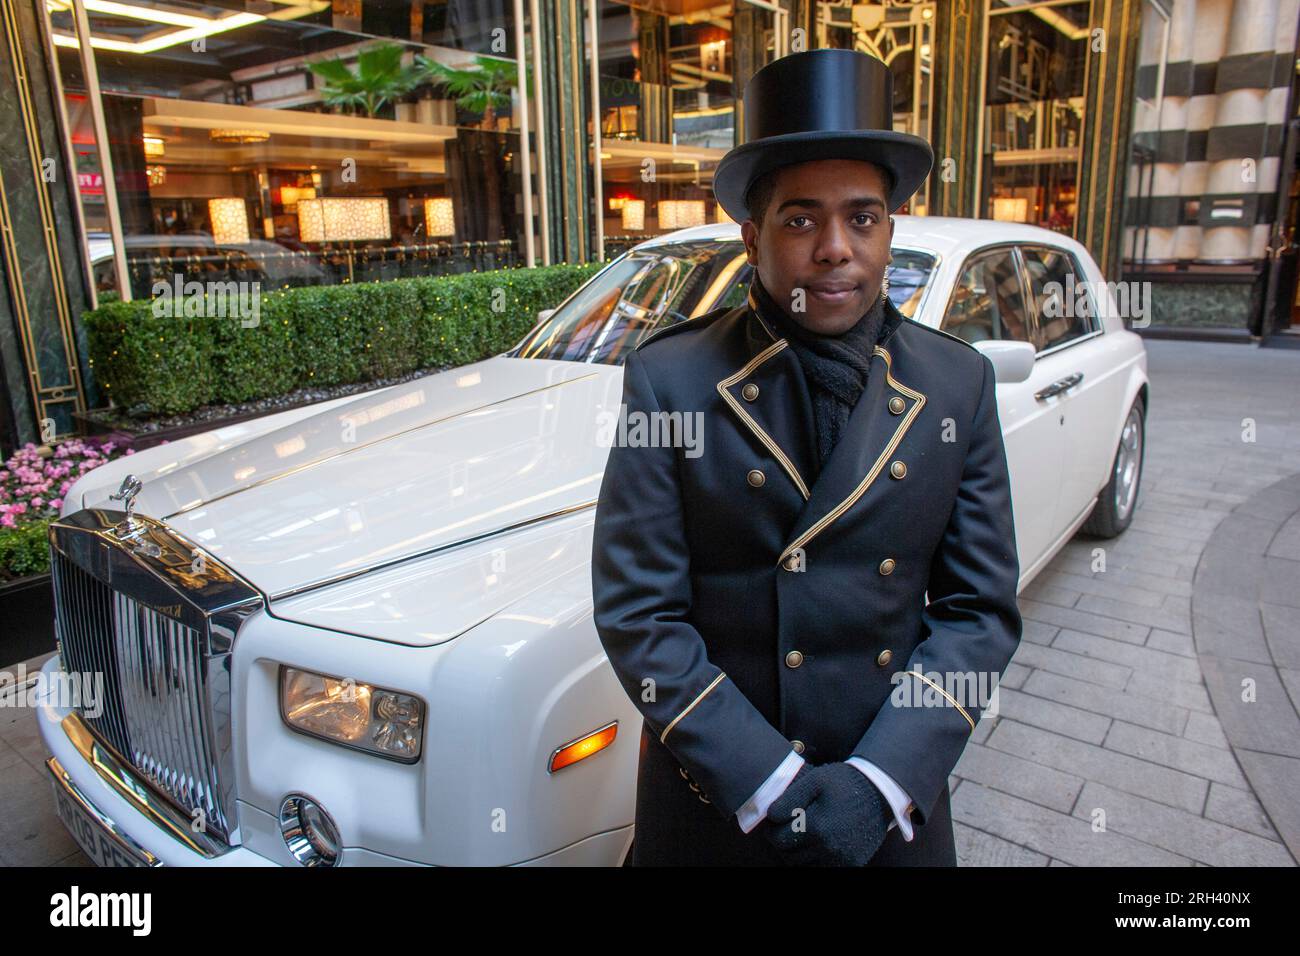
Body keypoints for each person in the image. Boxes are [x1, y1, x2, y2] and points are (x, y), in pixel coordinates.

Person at [591, 48, 1023, 866]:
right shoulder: (671, 378)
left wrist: (881, 782)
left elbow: (978, 614)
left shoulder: (956, 383)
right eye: (800, 219)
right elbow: (639, 615)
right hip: (718, 805)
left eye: (862, 217)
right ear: (753, 238)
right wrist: (770, 783)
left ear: (890, 232)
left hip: (891, 806)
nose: (834, 247)